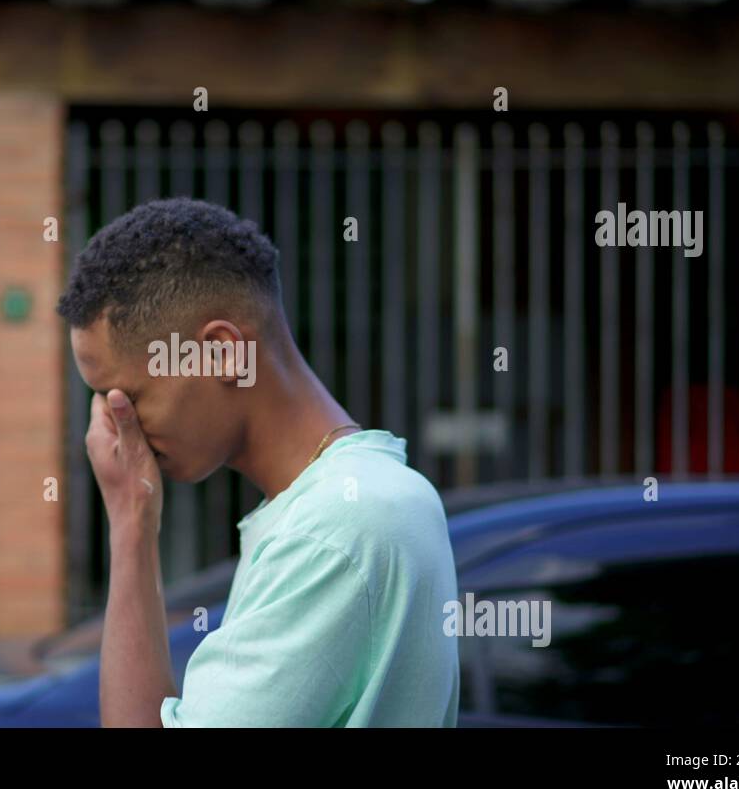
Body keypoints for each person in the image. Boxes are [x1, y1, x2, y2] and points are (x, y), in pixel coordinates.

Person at [57, 197, 460, 727]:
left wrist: (131, 523)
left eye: (125, 397)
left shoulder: (336, 527)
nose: (117, 427)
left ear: (222, 353)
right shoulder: (349, 500)